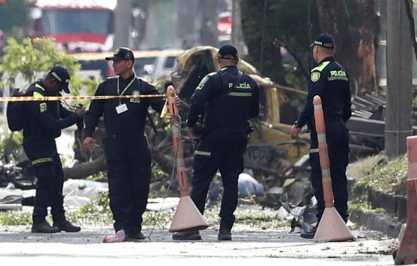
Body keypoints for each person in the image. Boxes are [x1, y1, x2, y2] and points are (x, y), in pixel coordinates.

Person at [172, 44, 260, 242]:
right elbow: (254, 112)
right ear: (236, 60)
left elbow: (196, 101)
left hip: (212, 137)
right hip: (237, 138)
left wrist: (192, 125)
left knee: (201, 181)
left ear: (219, 60)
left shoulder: (212, 79)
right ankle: (225, 229)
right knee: (231, 182)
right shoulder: (250, 83)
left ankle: (192, 228)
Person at [81, 47, 165, 243]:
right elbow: (93, 112)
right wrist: (88, 134)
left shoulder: (144, 87)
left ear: (129, 63)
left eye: (118, 61)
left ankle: (135, 227)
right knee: (118, 186)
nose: (114, 64)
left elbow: (163, 109)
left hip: (137, 142)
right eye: (113, 61)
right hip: (114, 142)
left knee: (139, 185)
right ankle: (121, 226)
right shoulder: (106, 87)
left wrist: (171, 103)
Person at [289, 33, 351, 239]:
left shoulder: (318, 73)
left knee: (321, 176)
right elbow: (348, 107)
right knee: (338, 176)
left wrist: (298, 124)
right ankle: (341, 219)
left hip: (324, 132)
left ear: (316, 50)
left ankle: (324, 221)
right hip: (341, 128)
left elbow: (312, 102)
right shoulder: (342, 71)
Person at [23, 65, 86, 234]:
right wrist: (75, 118)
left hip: (47, 142)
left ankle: (59, 219)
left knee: (57, 178)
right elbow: (50, 123)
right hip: (36, 143)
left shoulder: (49, 92)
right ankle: (39, 220)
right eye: (60, 87)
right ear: (52, 81)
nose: (61, 91)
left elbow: (60, 112)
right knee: (46, 179)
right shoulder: (36, 94)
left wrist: (78, 114)